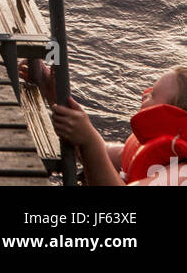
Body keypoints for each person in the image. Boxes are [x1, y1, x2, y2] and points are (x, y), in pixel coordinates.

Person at [22, 60, 187, 185]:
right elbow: (96, 155)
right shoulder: (149, 148)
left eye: (153, 95)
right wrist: (54, 96)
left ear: (172, 116)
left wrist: (89, 140)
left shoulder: (182, 175)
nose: (144, 95)